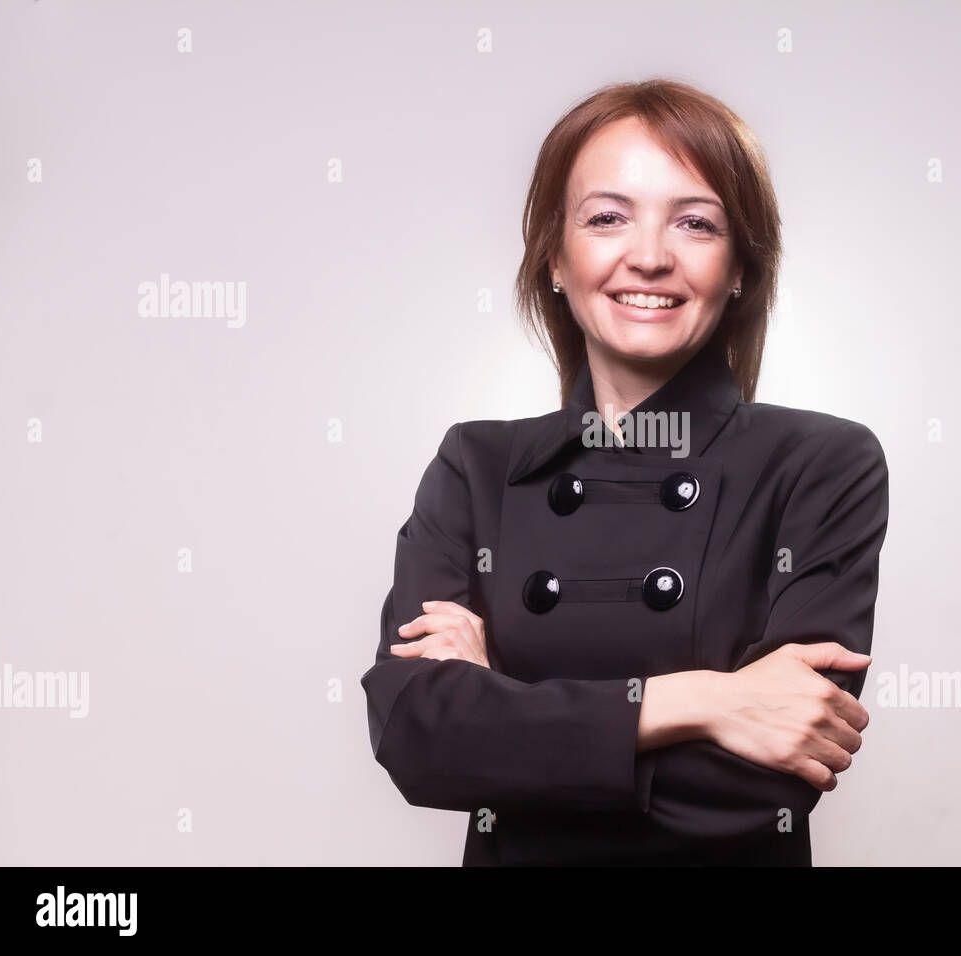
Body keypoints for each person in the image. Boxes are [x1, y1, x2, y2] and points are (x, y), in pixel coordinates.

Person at [360, 78, 889, 866]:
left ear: (740, 266)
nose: (649, 256)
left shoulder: (820, 463)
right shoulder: (476, 465)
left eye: (696, 223)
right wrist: (708, 700)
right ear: (555, 259)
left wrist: (499, 707)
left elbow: (764, 787)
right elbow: (415, 737)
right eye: (607, 217)